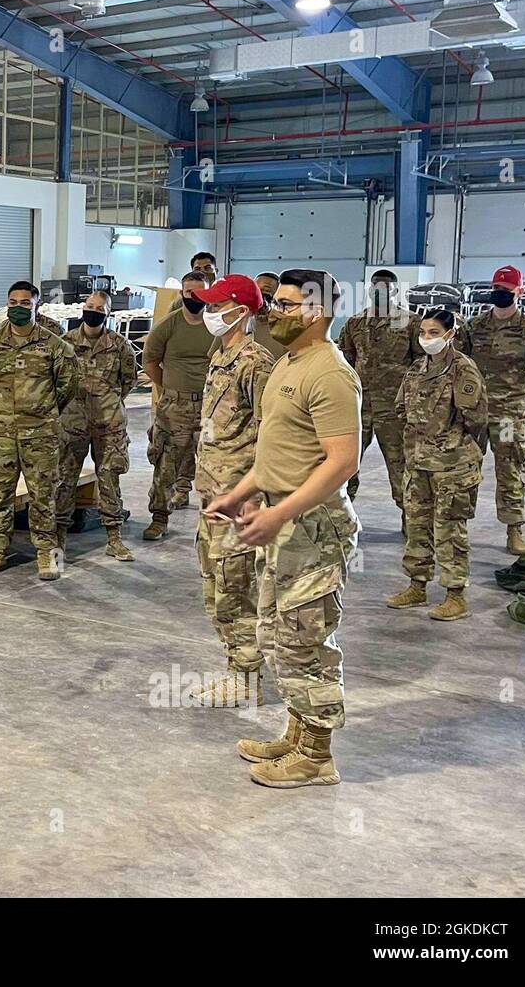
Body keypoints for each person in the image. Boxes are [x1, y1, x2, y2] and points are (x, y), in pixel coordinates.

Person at [205, 268, 361, 789]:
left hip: (314, 529)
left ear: (318, 312)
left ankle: (317, 757)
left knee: (308, 642)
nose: (277, 312)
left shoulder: (329, 373)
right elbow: (276, 451)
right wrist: (243, 493)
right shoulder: (289, 364)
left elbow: (342, 463)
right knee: (281, 636)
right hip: (286, 524)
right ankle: (297, 735)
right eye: (277, 303)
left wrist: (280, 512)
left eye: (290, 306)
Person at [189, 275, 276, 708]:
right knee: (215, 587)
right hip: (213, 493)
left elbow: (270, 435)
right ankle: (234, 669)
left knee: (236, 588)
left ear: (240, 311)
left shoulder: (255, 363)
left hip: (238, 498)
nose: (208, 313)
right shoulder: (221, 356)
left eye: (216, 305)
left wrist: (253, 495)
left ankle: (247, 679)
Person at [0, 280, 78, 580]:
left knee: (43, 494)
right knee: (0, 494)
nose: (18, 308)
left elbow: (67, 387)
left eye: (25, 303)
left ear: (36, 305)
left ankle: (45, 551)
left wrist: (40, 410)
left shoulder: (54, 346)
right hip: (1, 434)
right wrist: (3, 412)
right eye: (13, 302)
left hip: (40, 435)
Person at [388, 309, 489, 621]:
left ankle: (455, 594)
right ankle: (417, 585)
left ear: (450, 334)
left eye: (434, 332)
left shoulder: (463, 370)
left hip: (452, 467)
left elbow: (477, 420)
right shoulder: (417, 368)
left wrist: (457, 449)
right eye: (424, 332)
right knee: (417, 526)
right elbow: (401, 408)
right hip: (418, 463)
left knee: (449, 529)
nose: (427, 338)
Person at [456, 264, 525, 555]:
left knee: (509, 470)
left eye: (506, 291)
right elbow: (457, 362)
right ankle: (456, 528)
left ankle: (514, 531)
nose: (500, 295)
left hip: (508, 417)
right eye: (496, 290)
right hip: (474, 414)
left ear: (519, 293)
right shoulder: (474, 327)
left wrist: (519, 395)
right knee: (463, 470)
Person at [54, 290, 135, 561]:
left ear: (108, 313)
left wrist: (108, 401)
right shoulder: (65, 343)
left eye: (100, 308)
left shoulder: (119, 345)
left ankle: (114, 538)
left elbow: (128, 381)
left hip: (108, 424)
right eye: (90, 306)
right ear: (82, 308)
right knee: (64, 480)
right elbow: (57, 381)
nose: (94, 311)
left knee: (109, 479)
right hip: (72, 424)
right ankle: (59, 540)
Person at [339, 268, 420, 514]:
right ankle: (342, 517)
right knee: (345, 463)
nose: (380, 293)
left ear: (396, 291)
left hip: (394, 407)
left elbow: (420, 363)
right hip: (359, 405)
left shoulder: (411, 323)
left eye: (385, 288)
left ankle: (412, 521)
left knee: (401, 466)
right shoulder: (355, 323)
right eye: (375, 288)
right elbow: (347, 358)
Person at [141, 272, 212, 540]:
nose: (193, 297)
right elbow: (150, 362)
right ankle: (159, 517)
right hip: (175, 407)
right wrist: (170, 388)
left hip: (211, 407)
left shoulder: (216, 325)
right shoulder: (168, 325)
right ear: (181, 293)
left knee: (216, 466)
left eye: (199, 292)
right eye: (188, 292)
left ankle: (213, 523)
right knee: (165, 464)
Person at [253, 272, 287, 359]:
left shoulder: (286, 330)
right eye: (256, 290)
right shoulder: (237, 323)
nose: (259, 295)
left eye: (266, 290)